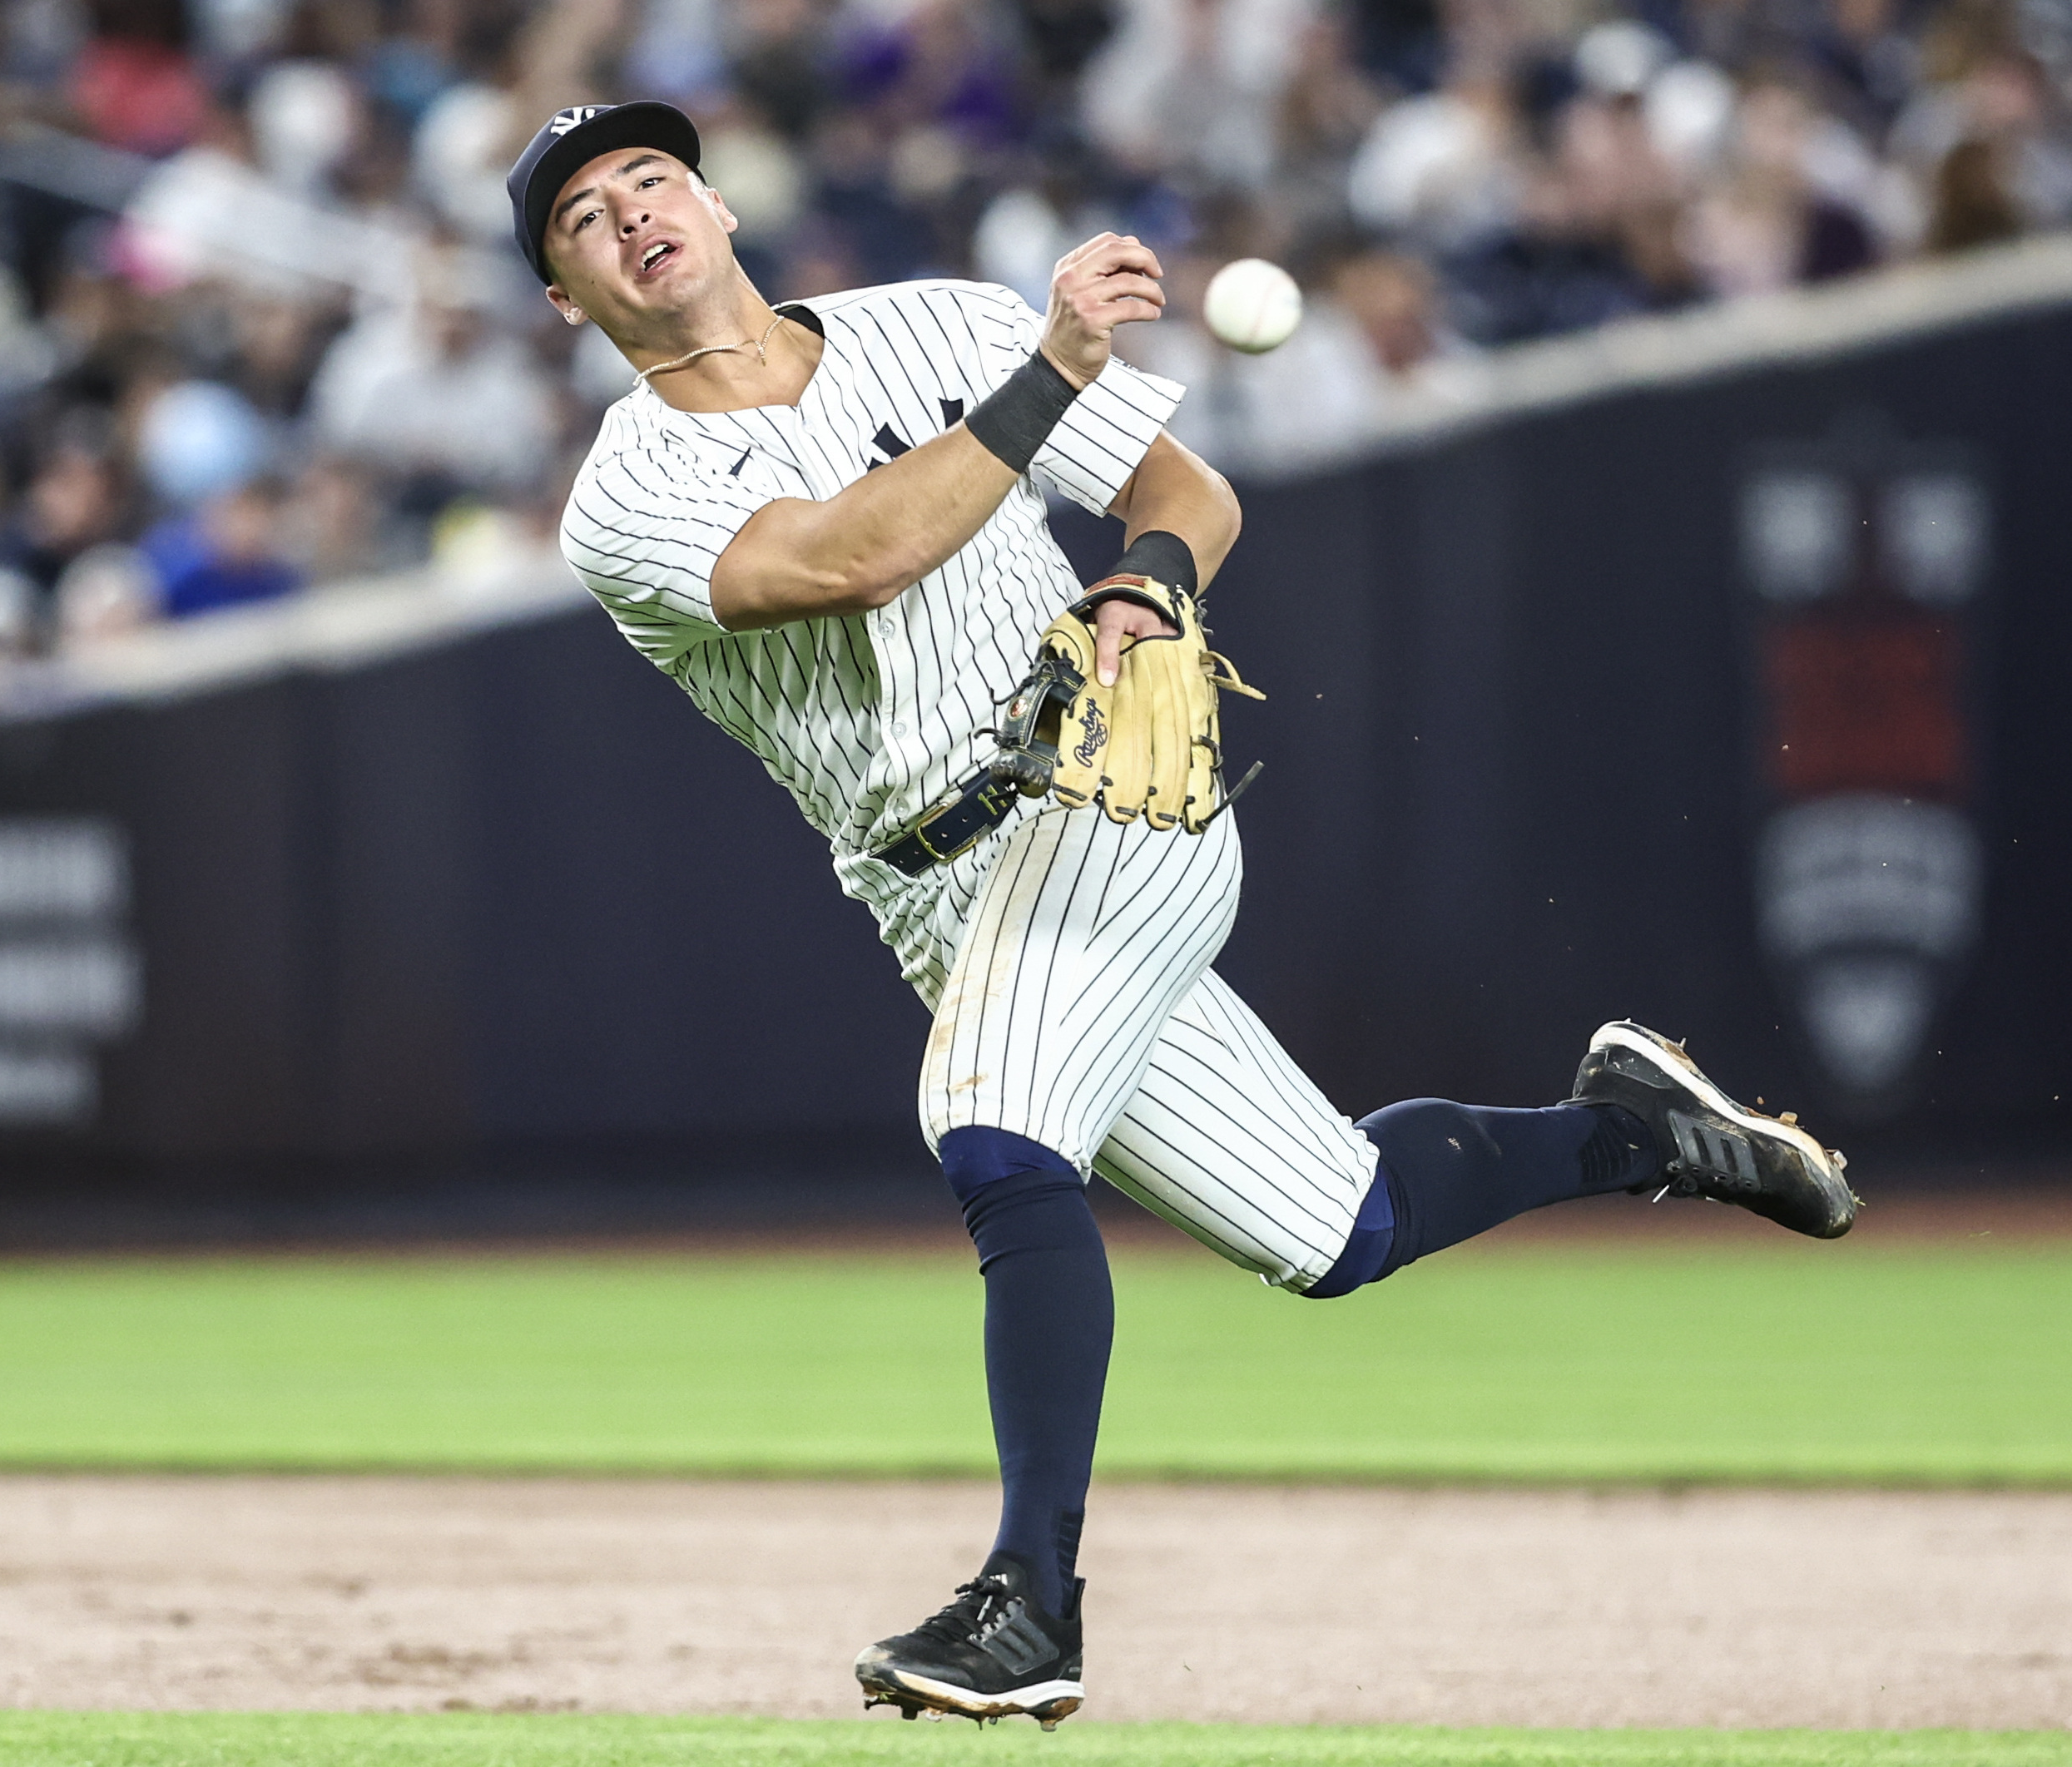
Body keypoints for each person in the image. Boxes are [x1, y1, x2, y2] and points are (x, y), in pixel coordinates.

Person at [522, 100, 1859, 1730]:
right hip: (933, 887)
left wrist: (1149, 577)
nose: (633, 212)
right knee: (1337, 1227)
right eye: (583, 216)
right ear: (570, 302)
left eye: (652, 176)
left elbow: (1186, 489)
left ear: (717, 199)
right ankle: (1635, 1131)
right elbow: (852, 556)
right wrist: (1048, 375)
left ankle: (1032, 1603)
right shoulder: (628, 489)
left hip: (1110, 794)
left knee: (991, 1122)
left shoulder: (935, 319)